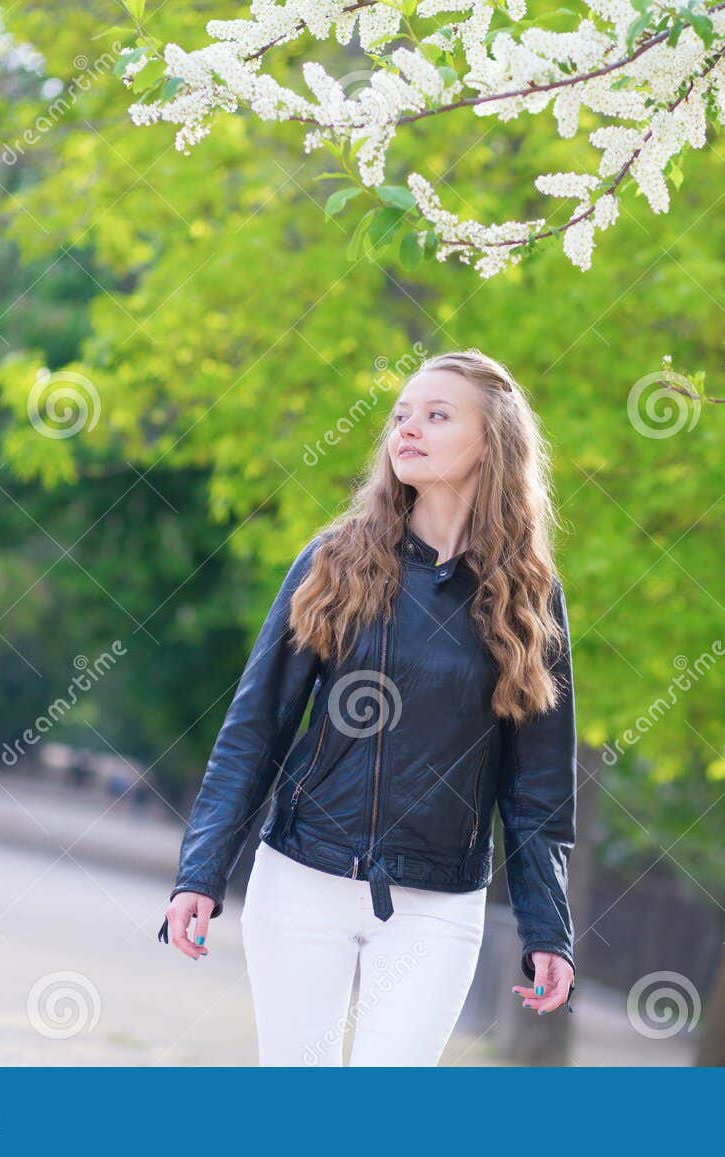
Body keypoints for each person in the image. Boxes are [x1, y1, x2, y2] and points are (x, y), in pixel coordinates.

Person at [158, 349, 579, 1066]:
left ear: (492, 442)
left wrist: (548, 927)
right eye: (401, 414)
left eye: (437, 415)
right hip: (301, 882)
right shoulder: (336, 561)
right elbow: (255, 729)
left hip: (437, 903)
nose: (407, 428)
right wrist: (200, 871)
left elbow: (537, 785)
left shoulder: (526, 597)